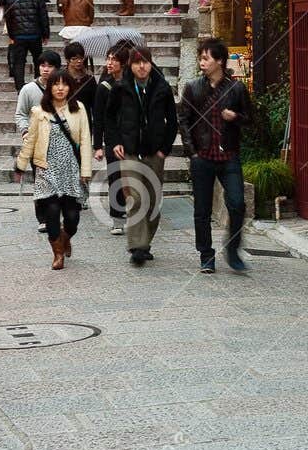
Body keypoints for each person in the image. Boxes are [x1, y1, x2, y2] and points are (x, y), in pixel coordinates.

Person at [180, 38, 250, 274]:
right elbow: (184, 121)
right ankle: (206, 255)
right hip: (203, 157)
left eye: (206, 58)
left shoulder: (237, 88)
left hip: (229, 155)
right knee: (202, 209)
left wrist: (236, 117)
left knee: (238, 203)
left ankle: (233, 249)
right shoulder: (193, 88)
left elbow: (251, 119)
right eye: (200, 58)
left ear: (219, 61)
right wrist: (193, 153)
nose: (202, 62)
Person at [105, 43, 178, 266]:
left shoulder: (162, 88)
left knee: (153, 200)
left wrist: (164, 149)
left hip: (153, 151)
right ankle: (137, 246)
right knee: (136, 197)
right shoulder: (121, 87)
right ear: (130, 65)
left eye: (145, 62)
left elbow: (173, 122)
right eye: (137, 62)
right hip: (129, 150)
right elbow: (109, 117)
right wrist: (115, 141)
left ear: (151, 63)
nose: (142, 67)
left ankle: (145, 243)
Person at [16, 69, 92, 271]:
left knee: (72, 217)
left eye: (64, 84)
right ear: (49, 88)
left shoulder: (79, 109)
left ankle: (65, 238)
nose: (60, 88)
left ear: (70, 87)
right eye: (55, 84)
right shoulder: (38, 112)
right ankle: (58, 253)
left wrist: (86, 170)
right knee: (51, 212)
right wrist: (21, 164)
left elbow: (85, 141)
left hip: (70, 169)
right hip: (46, 169)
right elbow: (31, 140)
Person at [93, 43, 132, 235]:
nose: (109, 63)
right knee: (114, 176)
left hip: (131, 137)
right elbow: (98, 117)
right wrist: (97, 145)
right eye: (108, 59)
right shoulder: (104, 86)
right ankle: (117, 218)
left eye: (114, 60)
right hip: (111, 137)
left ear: (123, 63)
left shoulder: (133, 84)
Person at [0, 0, 50, 92]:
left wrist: (11, 35)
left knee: (19, 62)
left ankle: (20, 87)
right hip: (35, 34)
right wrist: (45, 34)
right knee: (38, 60)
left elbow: (9, 18)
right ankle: (38, 84)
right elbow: (43, 17)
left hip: (18, 35)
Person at [15, 49, 61, 134]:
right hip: (37, 135)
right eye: (43, 66)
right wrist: (25, 131)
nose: (46, 69)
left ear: (57, 68)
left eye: (50, 66)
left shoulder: (63, 88)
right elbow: (21, 114)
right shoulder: (28, 89)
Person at [64, 40, 100, 120]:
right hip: (66, 118)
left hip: (85, 119)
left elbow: (95, 104)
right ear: (67, 60)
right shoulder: (62, 77)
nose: (79, 61)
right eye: (74, 59)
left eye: (81, 58)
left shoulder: (89, 78)